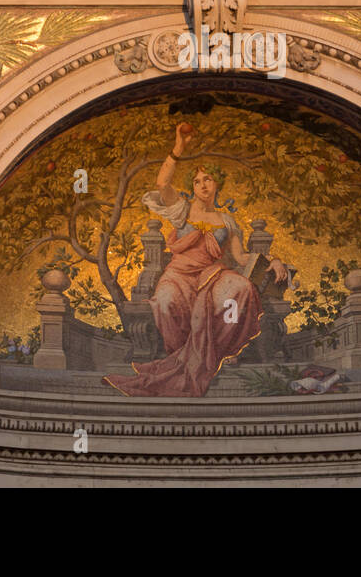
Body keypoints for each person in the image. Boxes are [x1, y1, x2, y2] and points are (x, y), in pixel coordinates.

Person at [104, 124, 288, 397]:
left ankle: (221, 351)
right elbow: (162, 184)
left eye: (208, 180)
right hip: (178, 275)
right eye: (197, 181)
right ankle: (180, 355)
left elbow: (239, 256)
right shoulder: (182, 210)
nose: (202, 185)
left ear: (217, 185)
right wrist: (178, 148)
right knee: (165, 301)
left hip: (212, 274)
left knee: (241, 289)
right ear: (193, 186)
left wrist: (275, 260)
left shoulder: (227, 220)